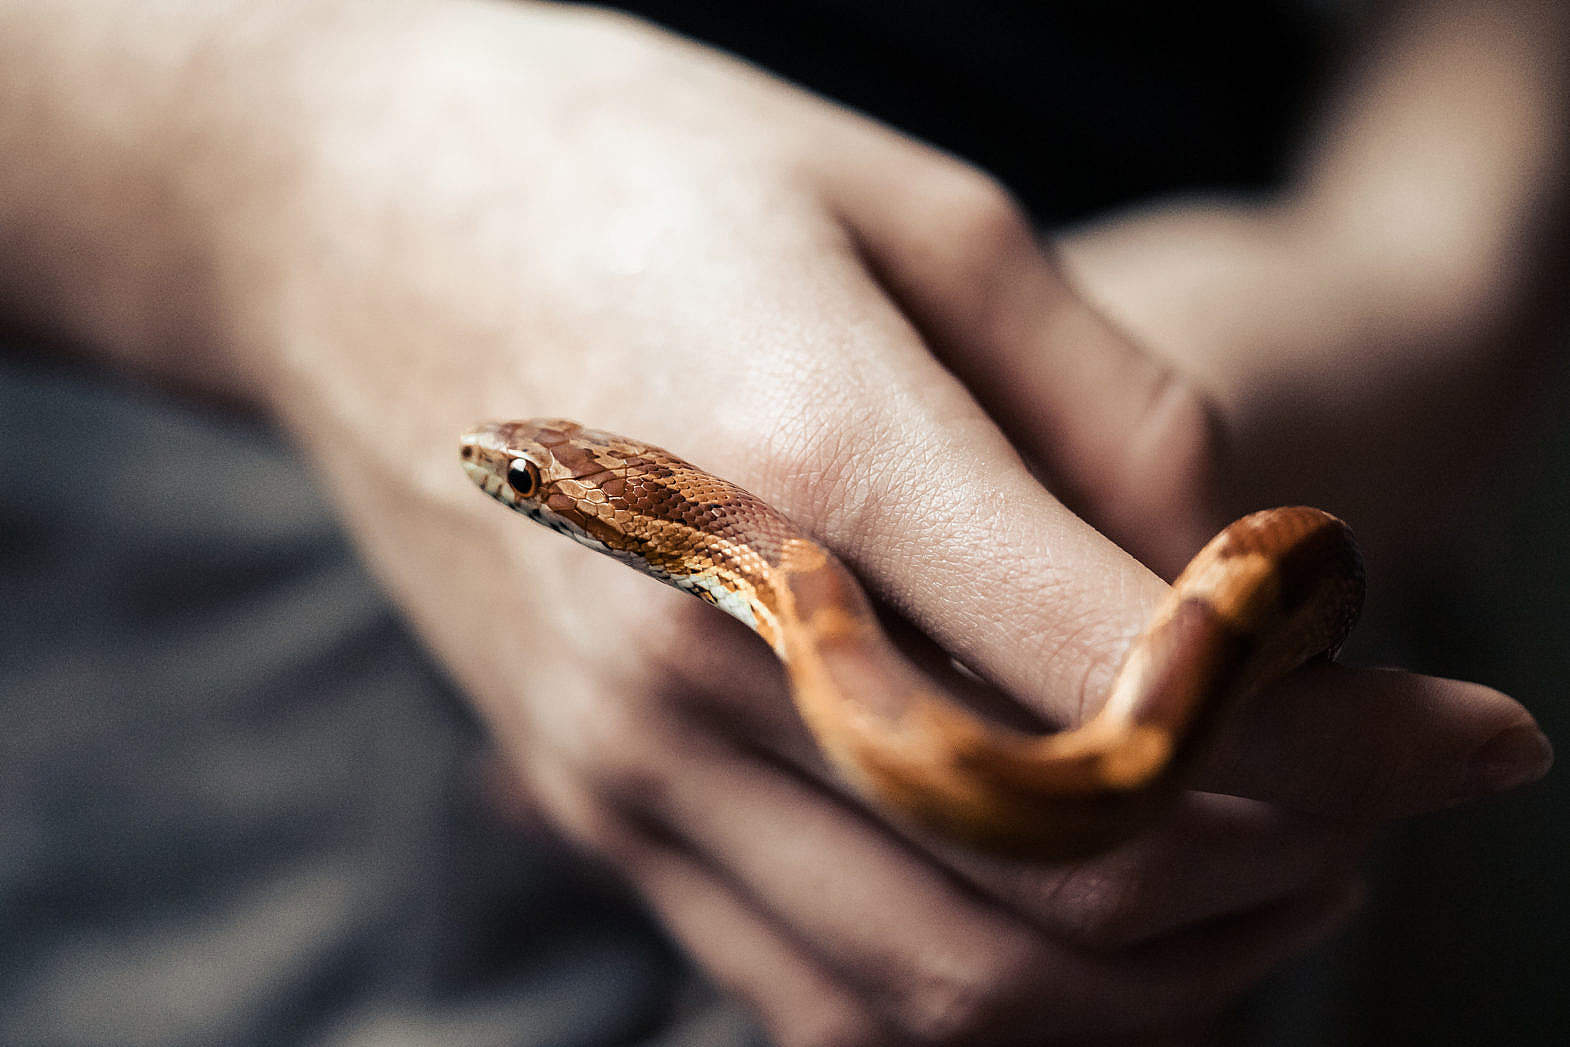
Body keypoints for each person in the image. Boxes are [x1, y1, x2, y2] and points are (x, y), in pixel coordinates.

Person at [1, 1, 1564, 1044]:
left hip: (1235, 500)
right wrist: (264, 194)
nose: (499, 474)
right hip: (186, 649)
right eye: (530, 483)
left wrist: (1407, 282)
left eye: (536, 484)